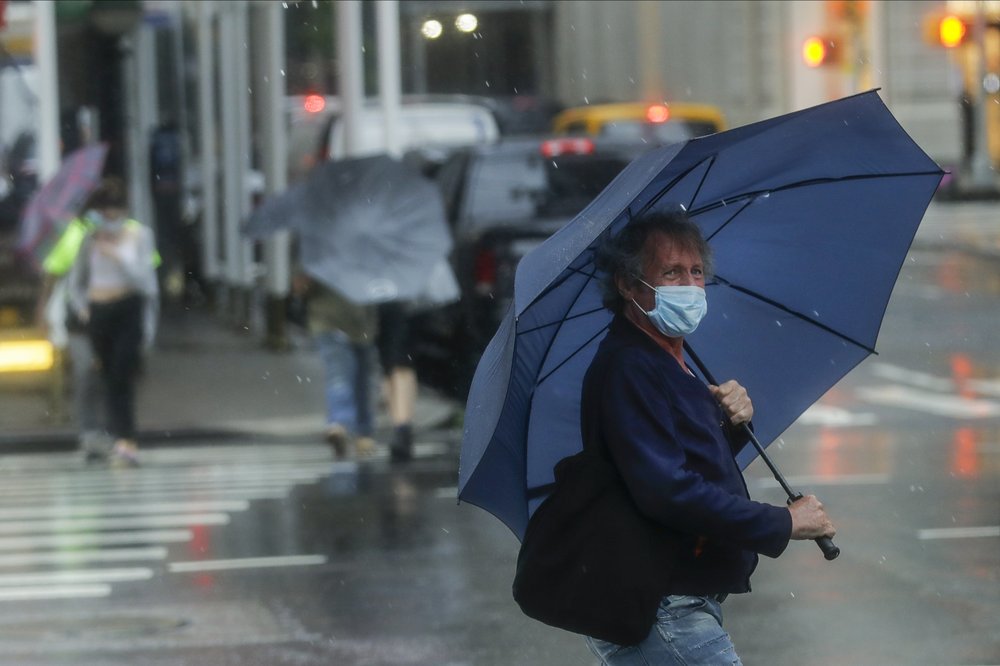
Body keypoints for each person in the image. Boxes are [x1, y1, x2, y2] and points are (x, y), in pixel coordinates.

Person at [583, 210, 836, 664]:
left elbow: (678, 457)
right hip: (663, 603)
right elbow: (668, 490)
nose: (690, 286)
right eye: (671, 272)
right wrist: (782, 523)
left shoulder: (663, 358)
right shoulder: (629, 367)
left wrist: (730, 425)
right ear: (627, 284)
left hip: (672, 599)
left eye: (696, 271)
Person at [68, 177, 159, 468]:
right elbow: (77, 282)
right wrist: (84, 309)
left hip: (128, 308)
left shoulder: (139, 236)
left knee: (123, 374)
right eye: (105, 214)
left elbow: (146, 282)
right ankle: (113, 435)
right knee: (107, 376)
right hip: (99, 311)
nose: (110, 220)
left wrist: (117, 255)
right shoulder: (89, 239)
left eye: (115, 214)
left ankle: (127, 439)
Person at [295, 271, 378, 459]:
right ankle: (351, 428)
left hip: (343, 322)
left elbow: (299, 287)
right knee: (355, 378)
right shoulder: (366, 250)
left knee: (348, 376)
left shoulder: (322, 250)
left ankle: (345, 426)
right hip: (350, 323)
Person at [376, 301, 418, 462]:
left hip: (404, 308)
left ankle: (403, 427)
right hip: (386, 308)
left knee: (400, 366)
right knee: (390, 369)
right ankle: (400, 427)